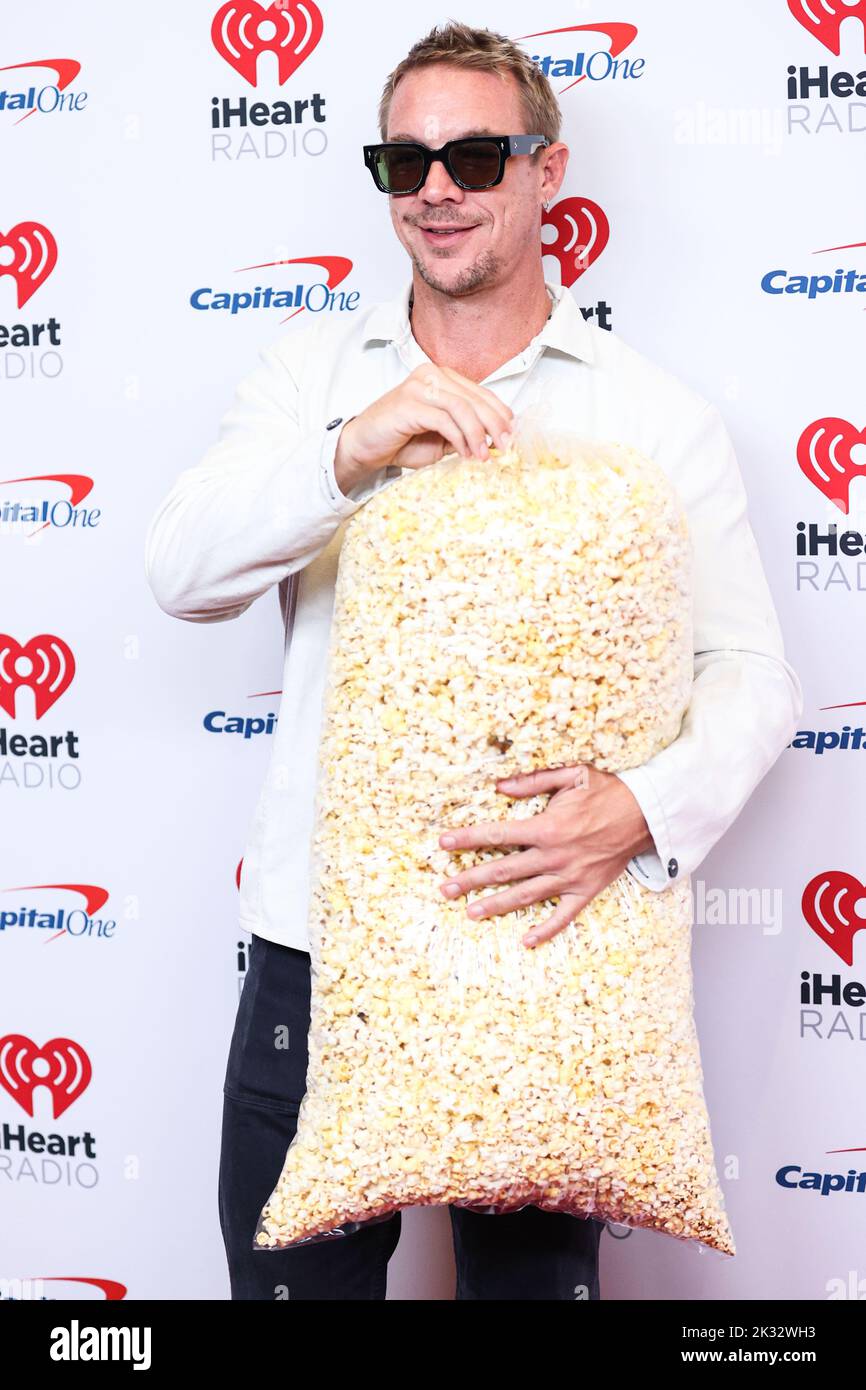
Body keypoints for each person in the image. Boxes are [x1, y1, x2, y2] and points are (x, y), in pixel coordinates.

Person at [144, 21, 803, 1300]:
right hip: (318, 943)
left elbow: (752, 674)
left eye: (474, 155)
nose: (438, 187)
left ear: (546, 172)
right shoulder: (309, 380)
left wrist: (638, 809)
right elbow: (180, 573)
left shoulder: (648, 415)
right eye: (405, 161)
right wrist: (349, 448)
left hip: (541, 942)